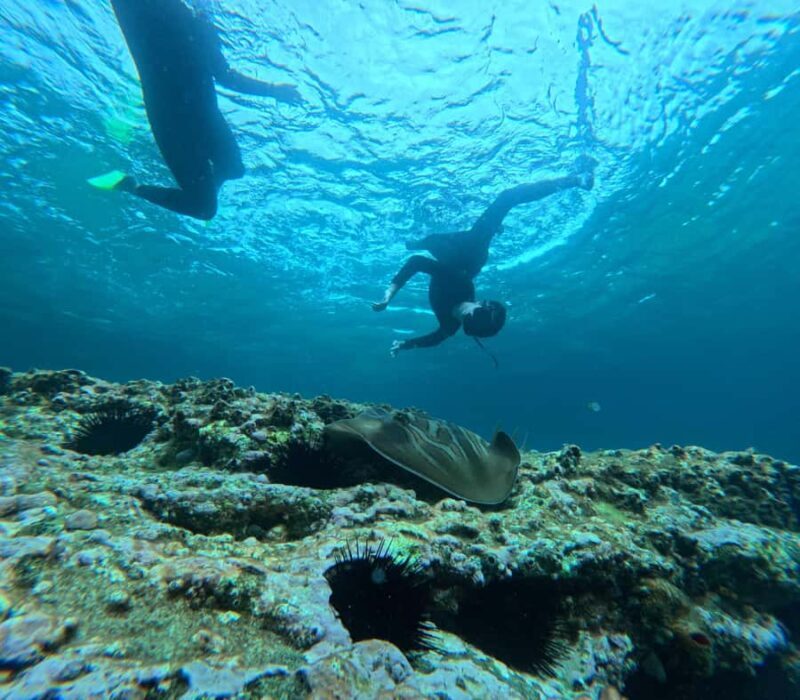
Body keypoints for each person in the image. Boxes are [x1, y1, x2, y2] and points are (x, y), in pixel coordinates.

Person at [90, 0, 302, 220]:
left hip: (199, 116)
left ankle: (198, 185)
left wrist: (273, 90)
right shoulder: (184, 20)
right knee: (205, 206)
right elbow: (225, 76)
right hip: (171, 121)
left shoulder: (197, 24)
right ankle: (132, 187)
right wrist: (273, 90)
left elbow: (224, 75)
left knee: (232, 170)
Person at [373, 164, 595, 357]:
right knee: (506, 198)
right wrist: (388, 296)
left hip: (459, 257)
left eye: (472, 317)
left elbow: (435, 339)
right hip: (470, 252)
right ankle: (577, 180)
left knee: (431, 241)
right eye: (479, 308)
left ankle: (478, 231)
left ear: (469, 326)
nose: (469, 310)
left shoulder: (450, 326)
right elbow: (416, 262)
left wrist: (405, 344)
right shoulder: (459, 288)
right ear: (479, 305)